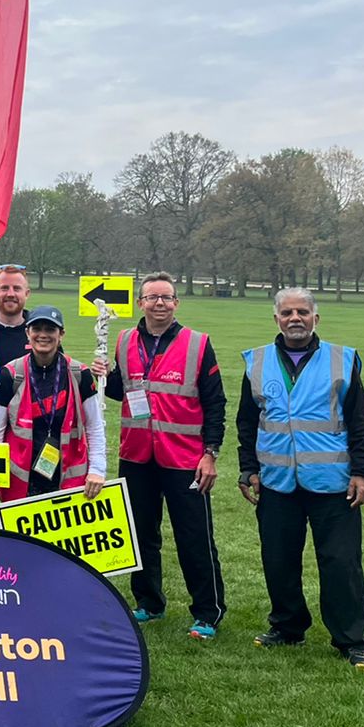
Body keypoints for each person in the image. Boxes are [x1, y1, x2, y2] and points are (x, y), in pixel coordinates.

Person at [237, 288, 364, 668]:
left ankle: (350, 639)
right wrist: (248, 468)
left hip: (334, 480)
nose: (294, 318)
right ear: (276, 319)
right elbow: (247, 423)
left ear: (316, 317)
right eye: (286, 312)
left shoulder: (341, 360)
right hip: (277, 480)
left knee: (341, 562)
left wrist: (363, 472)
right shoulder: (257, 361)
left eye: (302, 312)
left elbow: (360, 423)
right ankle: (287, 626)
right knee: (278, 560)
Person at [94, 271, 228, 640]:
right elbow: (125, 391)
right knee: (140, 535)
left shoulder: (198, 344)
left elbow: (215, 403)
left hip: (185, 459)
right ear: (141, 303)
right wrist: (104, 377)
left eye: (166, 297)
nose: (159, 303)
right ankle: (149, 602)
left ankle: (207, 611)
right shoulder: (123, 340)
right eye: (152, 297)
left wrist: (210, 453)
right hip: (137, 456)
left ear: (176, 303)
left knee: (194, 536)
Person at [0, 305, 106, 502]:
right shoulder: (10, 374)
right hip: (20, 483)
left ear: (61, 334)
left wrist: (97, 470)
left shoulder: (79, 374)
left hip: (69, 483)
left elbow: (94, 427)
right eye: (36, 329)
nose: (43, 335)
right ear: (27, 333)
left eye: (50, 329)